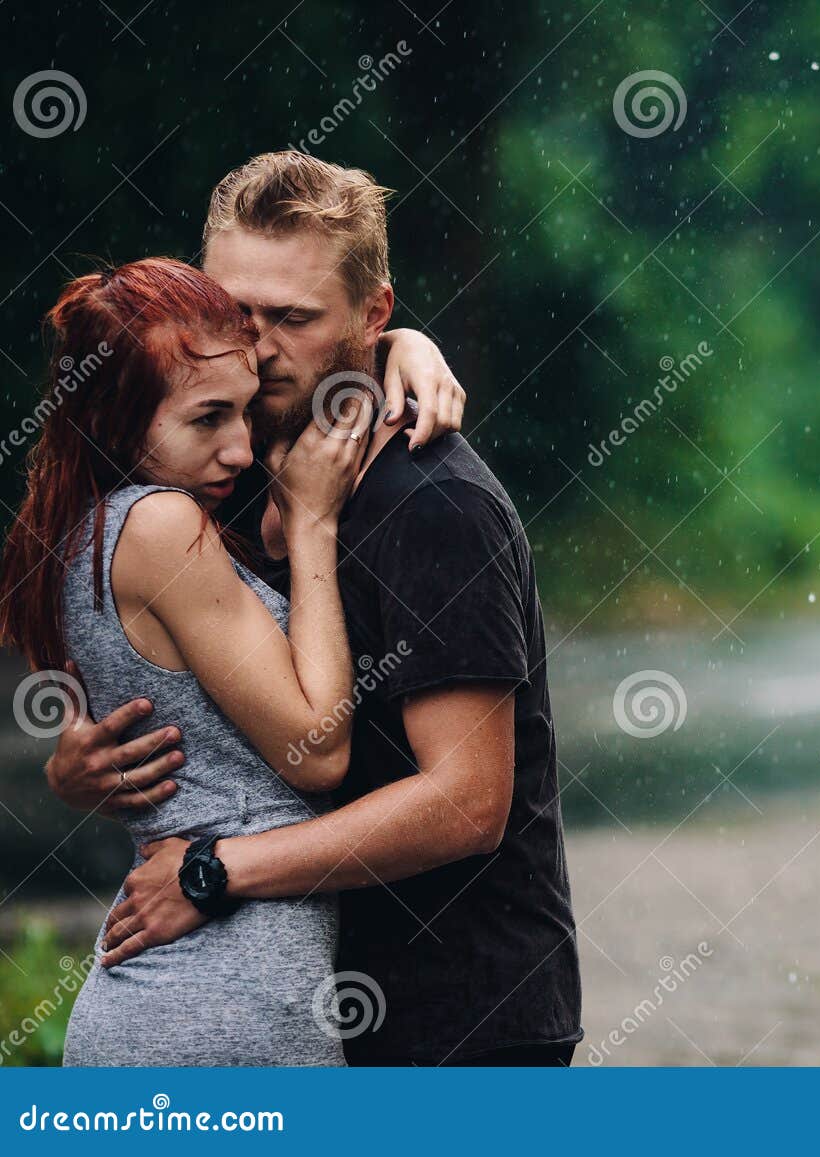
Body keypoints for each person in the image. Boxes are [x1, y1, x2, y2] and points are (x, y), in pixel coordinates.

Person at [47, 152, 583, 1066]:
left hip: (453, 1016)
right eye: (234, 311)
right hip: (299, 1003)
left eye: (292, 319)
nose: (255, 345)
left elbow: (466, 803)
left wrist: (215, 871)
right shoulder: (236, 459)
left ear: (372, 314)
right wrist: (78, 768)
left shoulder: (431, 504)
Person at [0, 257, 375, 1064]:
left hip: (190, 1007)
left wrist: (404, 345)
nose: (241, 449)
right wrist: (312, 524)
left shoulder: (81, 529)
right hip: (215, 1015)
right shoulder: (162, 526)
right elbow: (320, 748)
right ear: (114, 421)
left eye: (245, 413)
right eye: (209, 420)